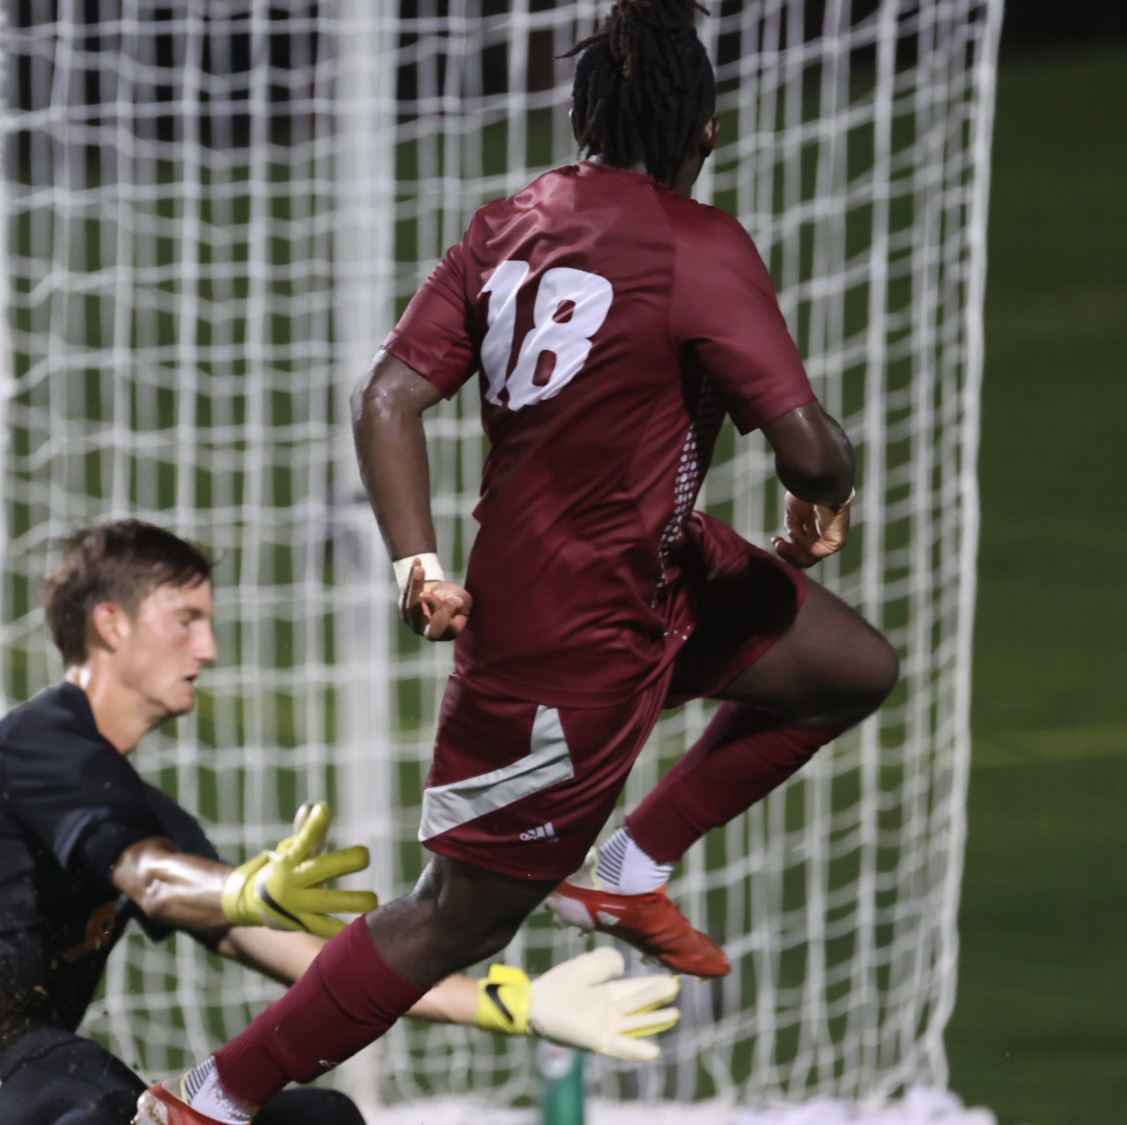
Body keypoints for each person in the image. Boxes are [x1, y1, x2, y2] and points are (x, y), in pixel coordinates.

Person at [136, 0, 898, 1120]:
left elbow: (386, 396)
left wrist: (415, 565)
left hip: (658, 574)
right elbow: (812, 444)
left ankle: (627, 868)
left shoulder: (506, 225)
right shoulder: (701, 245)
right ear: (706, 135)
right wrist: (819, 496)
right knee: (453, 913)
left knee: (849, 666)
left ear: (583, 118)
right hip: (564, 647)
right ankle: (211, 1098)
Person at [0, 520, 680, 1125]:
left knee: (318, 1121)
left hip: (28, 1068)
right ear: (111, 624)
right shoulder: (42, 741)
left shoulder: (124, 798)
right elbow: (152, 881)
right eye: (187, 618)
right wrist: (241, 887)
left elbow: (295, 954)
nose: (208, 648)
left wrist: (506, 997)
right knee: (106, 1111)